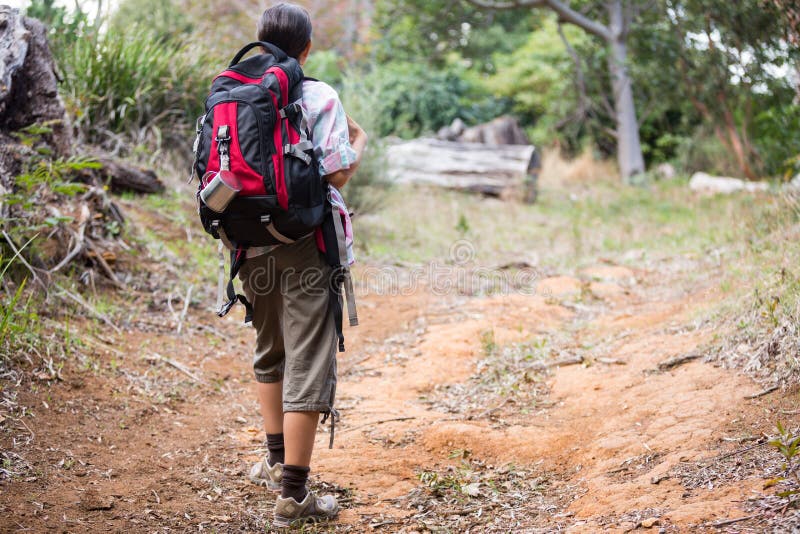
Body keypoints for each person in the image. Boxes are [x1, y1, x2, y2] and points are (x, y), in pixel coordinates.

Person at [239, 2, 367, 528]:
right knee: (309, 357)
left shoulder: (233, 91)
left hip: (247, 244)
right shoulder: (318, 95)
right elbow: (335, 175)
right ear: (307, 49)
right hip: (305, 242)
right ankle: (294, 496)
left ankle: (275, 463)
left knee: (270, 350)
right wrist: (361, 141)